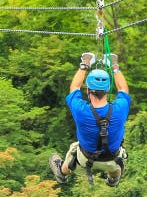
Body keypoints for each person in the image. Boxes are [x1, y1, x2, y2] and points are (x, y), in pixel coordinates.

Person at [49, 52, 131, 187]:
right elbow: (123, 89)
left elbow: (74, 88)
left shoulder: (80, 109)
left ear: (88, 90)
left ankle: (62, 173)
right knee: (117, 165)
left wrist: (85, 64)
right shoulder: (120, 108)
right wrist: (114, 66)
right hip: (112, 159)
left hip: (85, 159)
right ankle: (113, 179)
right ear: (108, 90)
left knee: (74, 150)